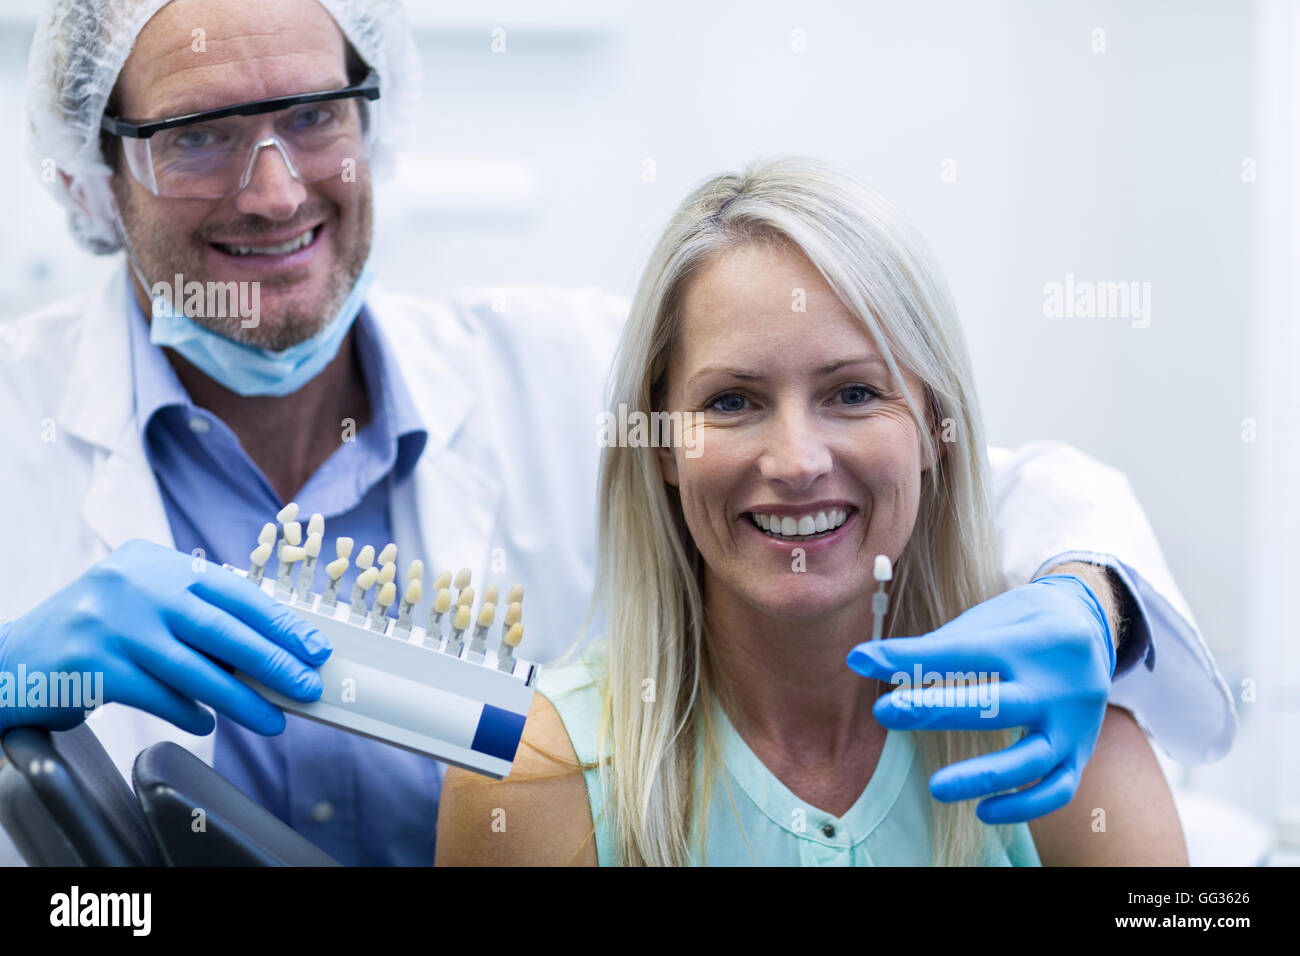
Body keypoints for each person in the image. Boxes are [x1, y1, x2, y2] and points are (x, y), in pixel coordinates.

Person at [0, 0, 1230, 866]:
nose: (274, 188)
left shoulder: (589, 377)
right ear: (93, 174)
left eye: (315, 116)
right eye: (199, 136)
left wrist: (1088, 603)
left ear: (374, 122)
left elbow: (934, 480)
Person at [435, 159, 1189, 865]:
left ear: (934, 427)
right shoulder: (530, 775)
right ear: (662, 443)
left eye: (854, 393)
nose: (796, 462)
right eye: (732, 402)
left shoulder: (1060, 750)